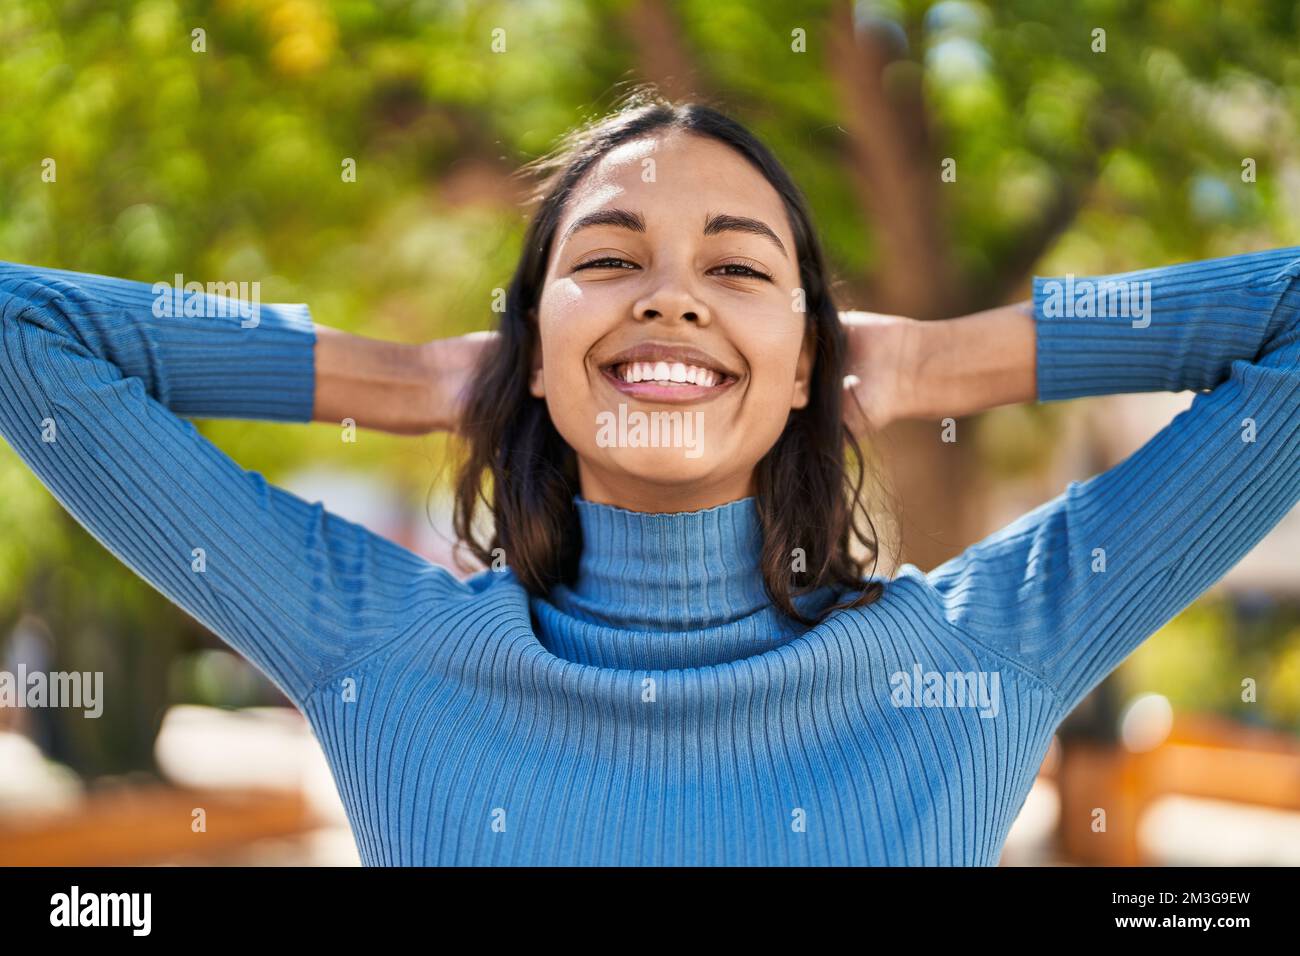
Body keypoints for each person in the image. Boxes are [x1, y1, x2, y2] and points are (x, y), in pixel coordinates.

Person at [1, 95, 1296, 865]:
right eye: (609, 260)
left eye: (737, 271)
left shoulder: (985, 650)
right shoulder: (380, 646)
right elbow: (24, 329)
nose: (671, 296)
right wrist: (394, 381)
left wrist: (958, 359)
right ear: (533, 342)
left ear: (804, 360)